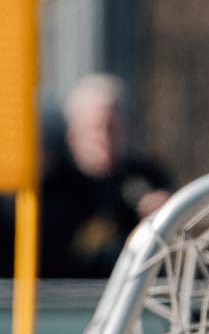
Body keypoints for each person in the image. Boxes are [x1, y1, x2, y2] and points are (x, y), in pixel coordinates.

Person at [37, 75, 172, 279]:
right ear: (72, 132)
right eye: (95, 128)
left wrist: (167, 216)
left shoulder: (149, 178)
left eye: (112, 128)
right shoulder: (51, 187)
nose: (104, 138)